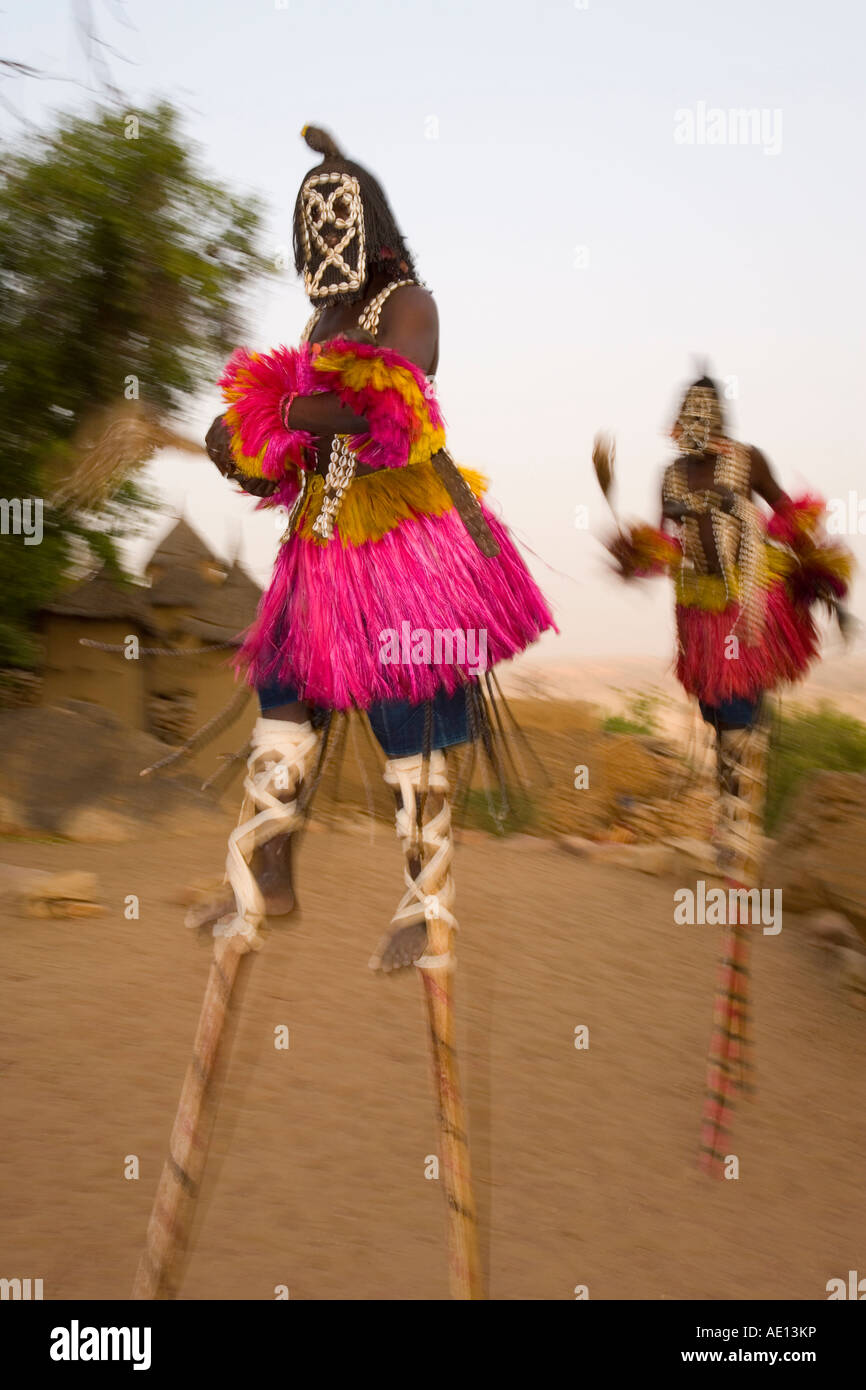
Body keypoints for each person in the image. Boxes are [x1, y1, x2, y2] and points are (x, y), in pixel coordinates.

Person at [200, 125, 555, 972]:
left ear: (370, 225)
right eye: (311, 224)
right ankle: (269, 869)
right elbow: (299, 447)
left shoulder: (408, 305)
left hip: (400, 539)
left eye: (339, 219)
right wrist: (243, 449)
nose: (325, 237)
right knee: (283, 684)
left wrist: (280, 415)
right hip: (321, 539)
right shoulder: (321, 317)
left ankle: (426, 904)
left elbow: (392, 409)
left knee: (407, 707)